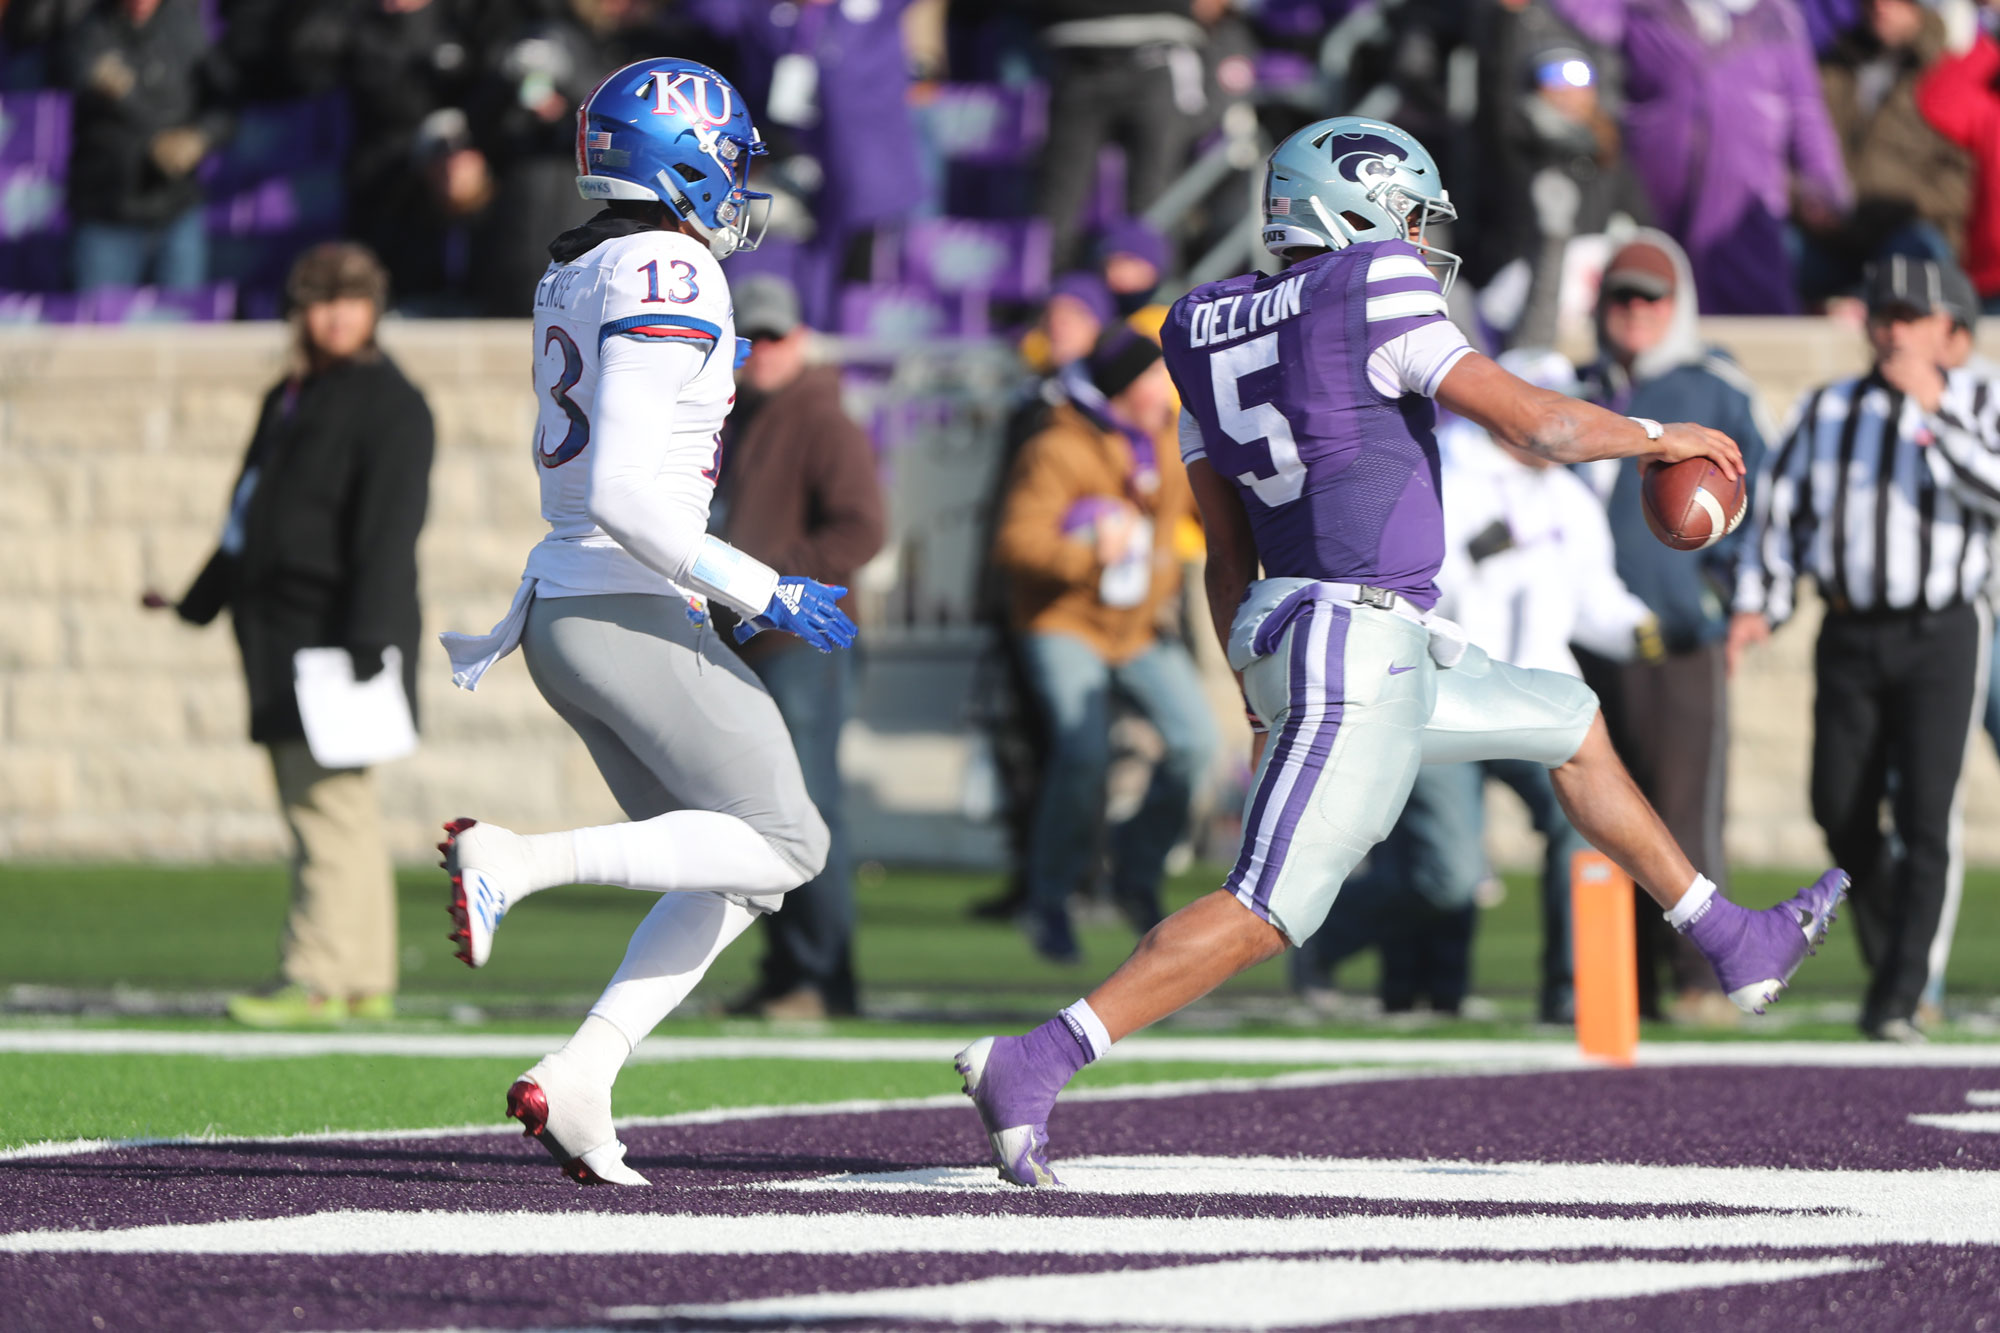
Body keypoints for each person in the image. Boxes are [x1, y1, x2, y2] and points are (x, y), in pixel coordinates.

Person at [954, 116, 1848, 1188]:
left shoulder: (1199, 323)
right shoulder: (1367, 284)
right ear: (1355, 208)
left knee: (1568, 721)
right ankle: (1033, 1061)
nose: (1421, 239)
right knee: (1266, 905)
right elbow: (1537, 427)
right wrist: (1659, 437)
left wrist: (1251, 682)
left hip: (1322, 631)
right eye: (1411, 215)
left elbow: (1222, 542)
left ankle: (1729, 939)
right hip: (1353, 639)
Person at [435, 58, 856, 1186]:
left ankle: (582, 1073)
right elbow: (626, 495)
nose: (734, 185)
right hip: (620, 601)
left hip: (577, 609)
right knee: (791, 842)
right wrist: (762, 587)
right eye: (722, 161)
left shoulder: (588, 262)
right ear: (675, 159)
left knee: (733, 872)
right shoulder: (671, 263)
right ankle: (513, 860)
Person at [1320, 348, 1658, 1024]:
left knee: (1587, 830)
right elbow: (1407, 586)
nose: (1558, 427)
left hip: (1536, 692)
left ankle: (1574, 991)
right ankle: (1331, 938)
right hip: (1446, 688)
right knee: (1448, 871)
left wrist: (1648, 629)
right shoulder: (1443, 466)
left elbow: (1595, 600)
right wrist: (1473, 564)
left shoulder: (1570, 495)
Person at [143, 243, 433, 1027]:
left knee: (325, 809)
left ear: (375, 308)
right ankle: (363, 977)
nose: (336, 314)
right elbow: (248, 517)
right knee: (338, 809)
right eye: (320, 299)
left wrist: (369, 639)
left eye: (352, 298)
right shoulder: (292, 395)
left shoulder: (391, 402)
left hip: (337, 639)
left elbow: (388, 532)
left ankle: (316, 974)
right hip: (280, 636)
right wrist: (195, 601)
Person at [1731, 255, 1998, 1043]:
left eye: (1909, 318)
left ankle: (1899, 993)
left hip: (1942, 627)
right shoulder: (1828, 407)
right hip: (1850, 627)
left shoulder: (1981, 396)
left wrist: (1936, 413)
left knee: (1925, 814)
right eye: (1882, 315)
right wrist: (1760, 607)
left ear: (1951, 331)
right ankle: (1898, 967)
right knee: (1837, 806)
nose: (1890, 331)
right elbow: (1783, 517)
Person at [1573, 231, 1770, 1027]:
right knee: (1595, 815)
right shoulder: (1578, 385)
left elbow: (1769, 500)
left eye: (1650, 297)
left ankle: (1695, 978)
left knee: (1681, 809)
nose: (1636, 313)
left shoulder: (1714, 386)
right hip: (1587, 635)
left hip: (1681, 632)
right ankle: (1614, 986)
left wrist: (1748, 602)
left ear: (1678, 303)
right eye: (1621, 297)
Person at [990, 327, 1215, 963]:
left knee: (1197, 743)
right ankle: (1050, 897)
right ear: (1124, 389)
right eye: (1151, 379)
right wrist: (1087, 552)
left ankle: (1134, 873)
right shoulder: (1058, 447)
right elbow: (1016, 545)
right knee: (1083, 753)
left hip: (1139, 626)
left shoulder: (1170, 441)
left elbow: (1201, 509)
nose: (1163, 389)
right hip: (1065, 619)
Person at [711, 274, 886, 1021]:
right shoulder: (739, 416)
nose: (765, 351)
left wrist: (773, 585)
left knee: (810, 810)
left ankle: (825, 975)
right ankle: (788, 970)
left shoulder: (822, 420)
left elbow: (862, 530)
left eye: (776, 336)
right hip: (752, 645)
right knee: (763, 814)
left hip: (800, 644)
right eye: (752, 338)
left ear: (802, 340)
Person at [1553, 0, 1851, 314]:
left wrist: (1821, 179)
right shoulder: (1642, 8)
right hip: (1655, 185)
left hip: (1745, 193)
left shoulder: (1778, 17)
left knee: (1756, 297)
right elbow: (1582, 19)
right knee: (1653, 291)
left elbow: (1805, 107)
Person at [61, 0, 235, 293]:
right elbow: (63, 66)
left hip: (176, 209)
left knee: (182, 329)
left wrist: (200, 137)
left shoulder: (188, 26)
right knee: (101, 334)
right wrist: (90, 76)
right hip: (107, 211)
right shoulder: (88, 27)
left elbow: (225, 102)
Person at [1803, 0, 1969, 305]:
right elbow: (1788, 152)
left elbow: (1963, 183)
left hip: (1906, 230)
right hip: (1831, 236)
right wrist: (1807, 199)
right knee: (1773, 247)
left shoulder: (1949, 74)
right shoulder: (1831, 68)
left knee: (1919, 253)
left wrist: (1894, 206)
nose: (1880, 6)